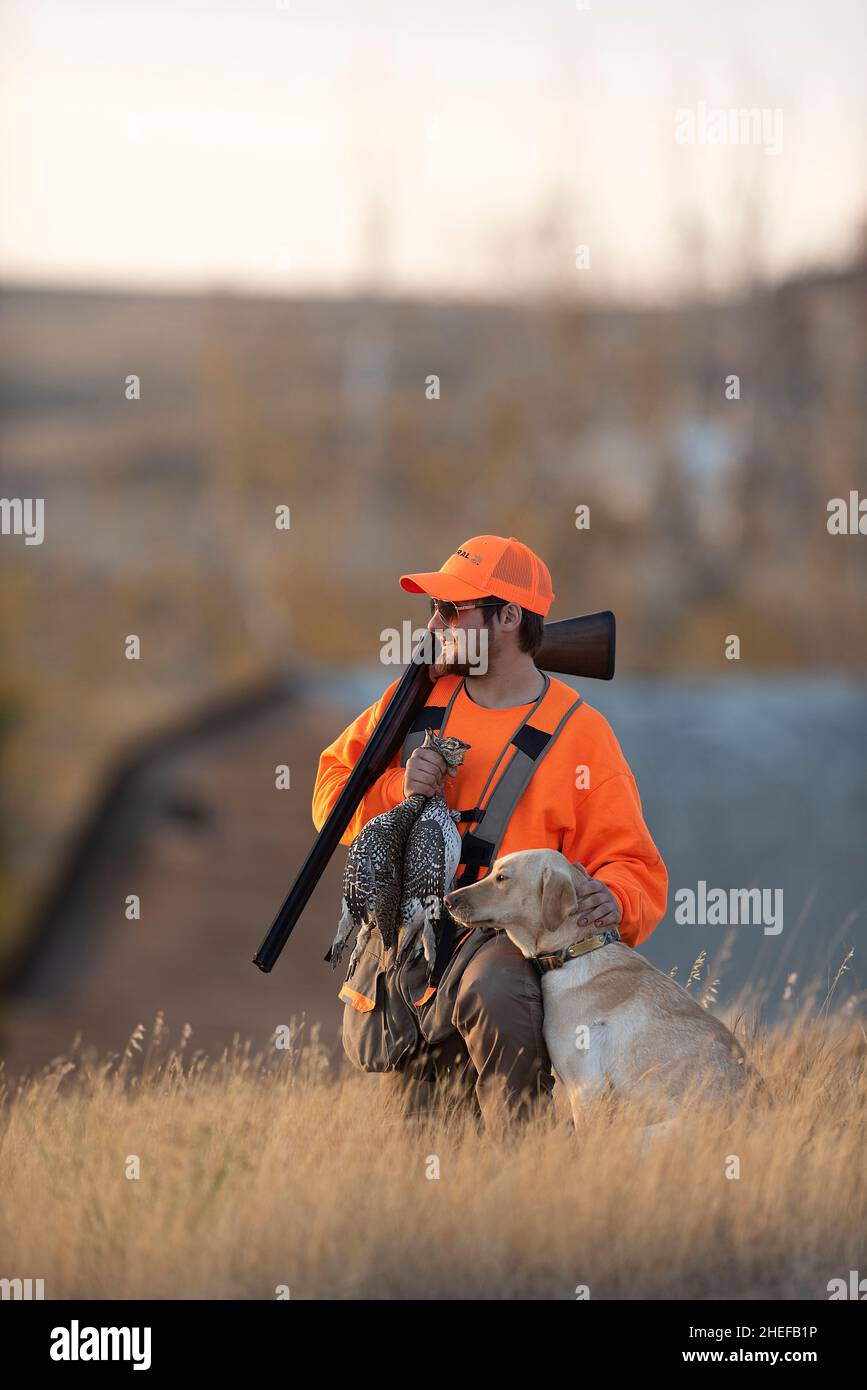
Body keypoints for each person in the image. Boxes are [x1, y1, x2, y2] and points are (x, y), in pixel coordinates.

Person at [313, 535, 668, 1129]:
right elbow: (330, 800)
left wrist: (618, 898)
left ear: (508, 617)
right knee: (423, 1139)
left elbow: (631, 864)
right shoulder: (415, 700)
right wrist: (398, 789)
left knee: (497, 992)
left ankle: (523, 1173)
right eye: (435, 608)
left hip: (509, 935)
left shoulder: (582, 735)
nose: (434, 622)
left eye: (452, 609)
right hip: (419, 923)